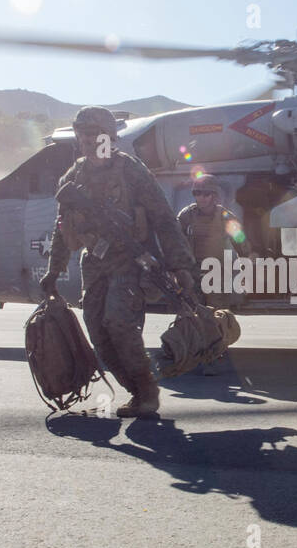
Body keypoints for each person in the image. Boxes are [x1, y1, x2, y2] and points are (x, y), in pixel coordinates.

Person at [39, 106, 196, 418]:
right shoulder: (73, 177)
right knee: (97, 329)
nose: (86, 140)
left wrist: (181, 266)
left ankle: (148, 392)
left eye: (92, 134)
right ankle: (136, 391)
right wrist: (53, 271)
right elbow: (62, 229)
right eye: (82, 134)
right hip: (94, 264)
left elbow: (164, 219)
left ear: (108, 137)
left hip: (129, 260)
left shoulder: (130, 171)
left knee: (119, 323)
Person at [177, 172, 250, 307]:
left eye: (206, 194)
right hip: (193, 273)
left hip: (218, 273)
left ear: (214, 195)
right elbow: (175, 244)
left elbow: (242, 245)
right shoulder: (186, 216)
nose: (201, 198)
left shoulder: (225, 217)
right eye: (197, 193)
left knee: (218, 312)